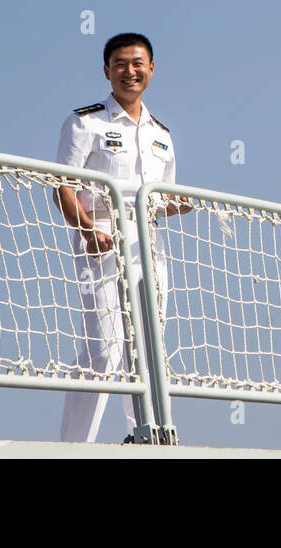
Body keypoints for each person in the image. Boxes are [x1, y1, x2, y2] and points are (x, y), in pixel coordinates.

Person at [53, 32, 188, 443]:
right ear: (107, 71)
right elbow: (62, 186)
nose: (130, 72)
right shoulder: (85, 121)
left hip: (148, 242)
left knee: (148, 349)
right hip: (102, 234)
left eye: (137, 64)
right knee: (105, 349)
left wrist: (174, 206)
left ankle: (147, 438)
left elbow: (158, 198)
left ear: (151, 69)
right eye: (120, 65)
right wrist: (87, 231)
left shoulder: (161, 134)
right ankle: (74, 447)